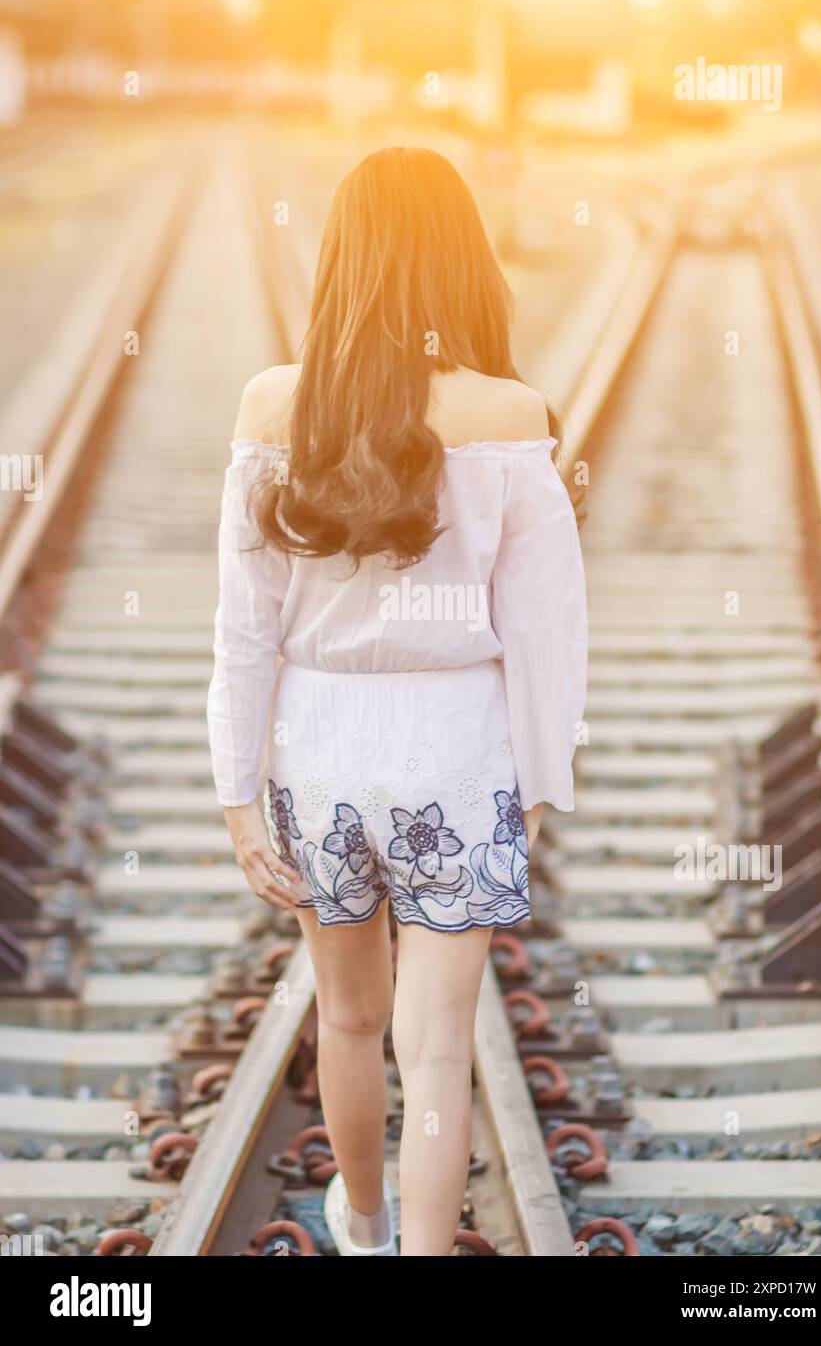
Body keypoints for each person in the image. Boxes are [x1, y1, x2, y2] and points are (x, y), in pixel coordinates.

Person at [206, 146, 587, 1257]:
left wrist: (238, 792)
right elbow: (545, 631)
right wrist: (539, 782)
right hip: (455, 752)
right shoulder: (510, 411)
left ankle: (362, 1226)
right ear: (463, 263)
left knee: (349, 1016)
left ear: (343, 261)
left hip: (317, 753)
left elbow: (244, 625)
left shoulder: (276, 405)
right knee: (432, 1045)